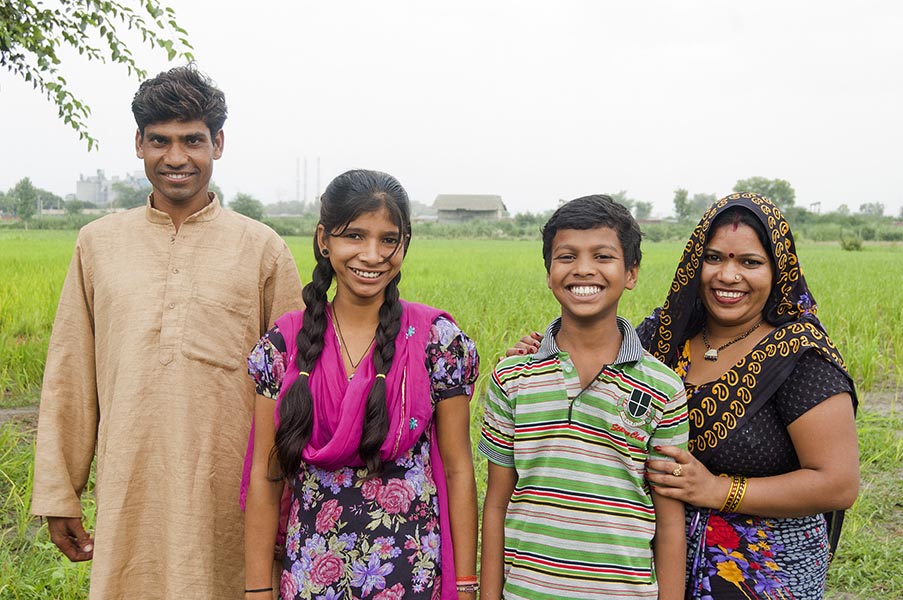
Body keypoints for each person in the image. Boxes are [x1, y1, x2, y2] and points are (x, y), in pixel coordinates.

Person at [31, 65, 303, 599]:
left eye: (192, 141)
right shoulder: (97, 244)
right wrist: (60, 493)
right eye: (160, 140)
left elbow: (297, 386)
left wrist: (291, 500)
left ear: (218, 144)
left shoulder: (262, 249)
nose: (176, 158)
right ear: (138, 143)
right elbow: (70, 374)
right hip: (131, 491)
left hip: (232, 498)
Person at [514, 193, 860, 599]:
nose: (728, 276)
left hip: (762, 571)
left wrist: (717, 489)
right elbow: (598, 357)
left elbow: (837, 483)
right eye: (714, 258)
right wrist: (540, 354)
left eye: (749, 262)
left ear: (778, 270)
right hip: (651, 562)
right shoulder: (667, 335)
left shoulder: (799, 356)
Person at [242, 169, 480, 600]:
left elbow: (460, 468)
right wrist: (257, 588)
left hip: (412, 574)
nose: (372, 255)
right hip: (311, 572)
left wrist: (465, 586)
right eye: (354, 236)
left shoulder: (435, 340)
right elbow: (266, 474)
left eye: (389, 239)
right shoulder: (285, 345)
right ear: (323, 240)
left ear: (404, 245)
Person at [479, 195, 689, 600]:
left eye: (603, 256)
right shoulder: (512, 379)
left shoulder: (663, 388)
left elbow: (669, 522)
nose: (584, 269)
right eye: (567, 256)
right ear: (549, 272)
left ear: (631, 273)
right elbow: (496, 503)